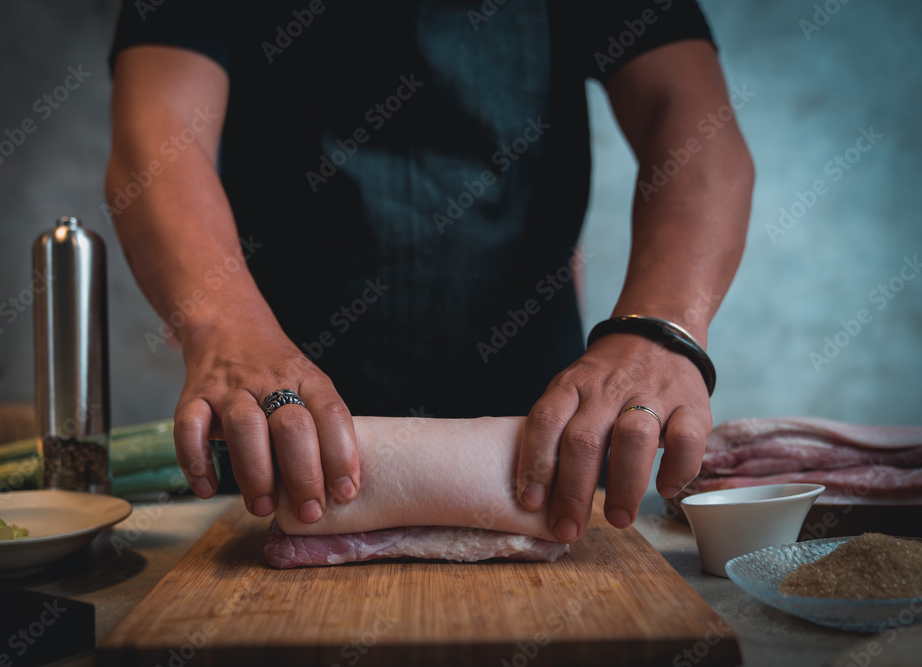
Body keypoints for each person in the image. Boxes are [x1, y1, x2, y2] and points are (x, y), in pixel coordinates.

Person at [105, 0, 754, 544]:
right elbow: (157, 140)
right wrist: (225, 325)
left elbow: (695, 122)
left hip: (547, 436)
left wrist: (658, 328)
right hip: (275, 436)